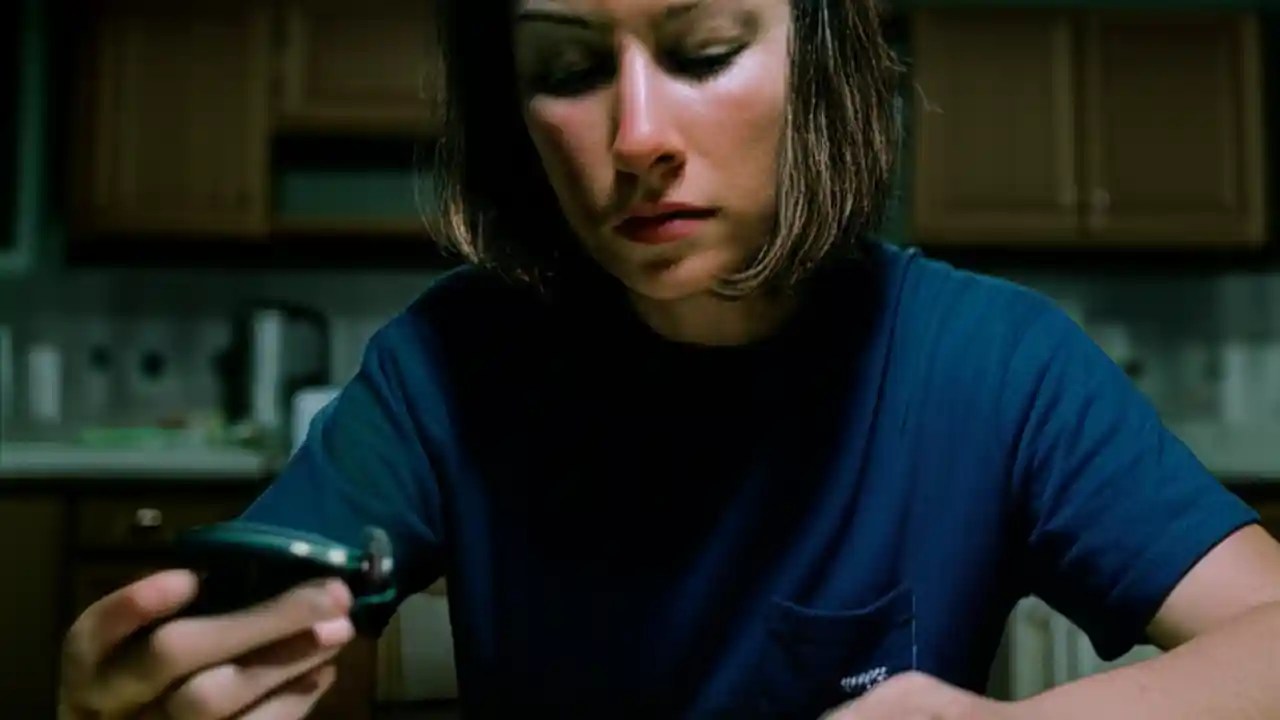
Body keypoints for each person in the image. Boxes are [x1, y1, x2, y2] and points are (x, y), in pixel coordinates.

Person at [59, 0, 1280, 717]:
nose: (635, 136)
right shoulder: (449, 362)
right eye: (567, 70)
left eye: (701, 52)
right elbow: (288, 666)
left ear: (821, 70)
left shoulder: (992, 360)